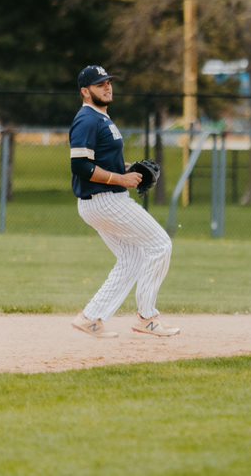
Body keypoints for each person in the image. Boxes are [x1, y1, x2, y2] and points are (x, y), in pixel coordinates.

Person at [69, 65, 179, 338]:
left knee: (132, 257)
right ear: (85, 91)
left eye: (108, 82)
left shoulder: (101, 118)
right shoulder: (87, 119)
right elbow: (81, 166)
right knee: (160, 245)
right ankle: (147, 317)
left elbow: (99, 160)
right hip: (106, 200)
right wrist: (121, 180)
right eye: (99, 84)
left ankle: (91, 318)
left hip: (100, 201)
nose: (107, 87)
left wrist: (125, 168)